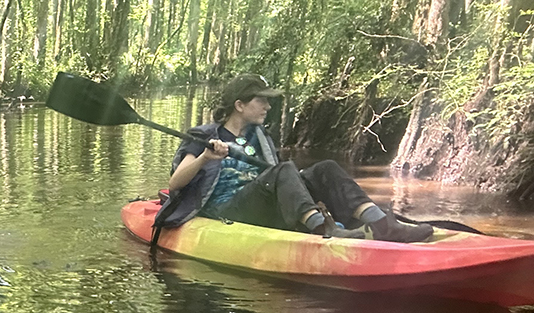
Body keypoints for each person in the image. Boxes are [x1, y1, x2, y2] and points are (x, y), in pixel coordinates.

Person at [157, 73, 434, 243]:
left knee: (324, 169)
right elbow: (176, 182)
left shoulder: (260, 136)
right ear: (239, 105)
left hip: (262, 205)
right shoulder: (204, 135)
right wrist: (205, 157)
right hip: (227, 211)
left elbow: (280, 181)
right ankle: (321, 230)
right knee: (284, 170)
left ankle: (382, 225)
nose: (267, 106)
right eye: (261, 100)